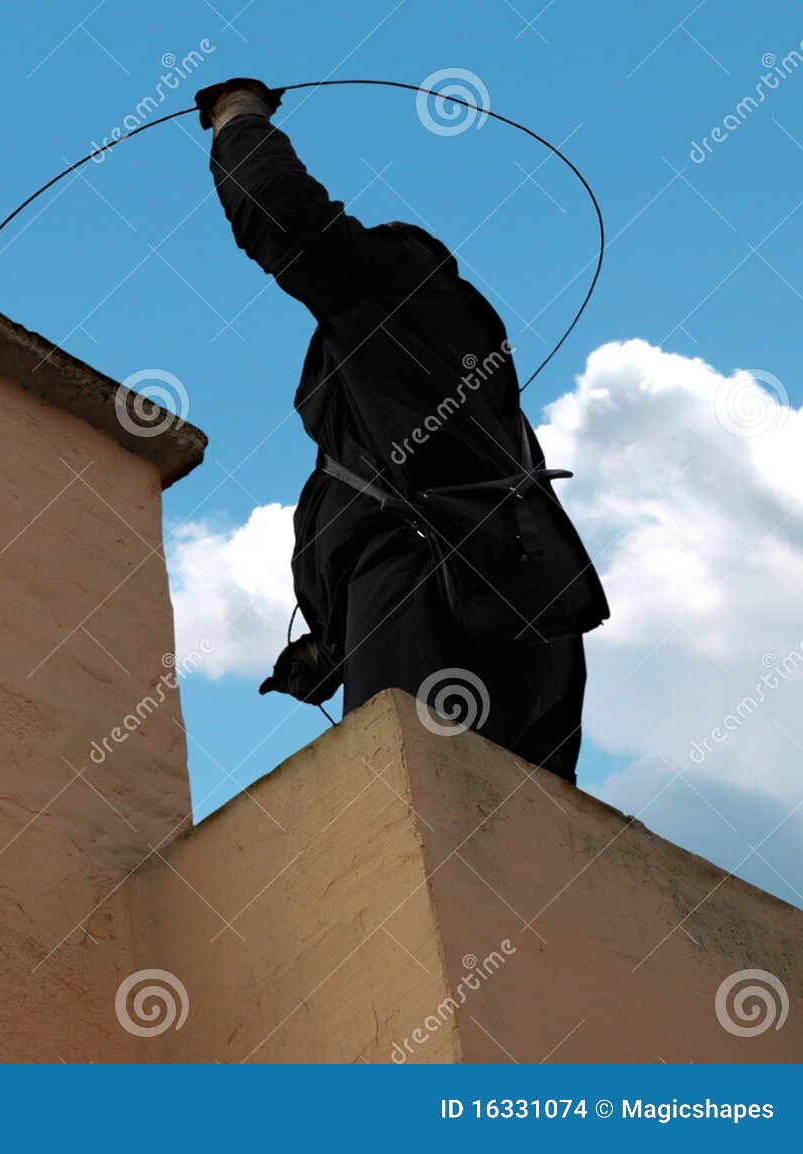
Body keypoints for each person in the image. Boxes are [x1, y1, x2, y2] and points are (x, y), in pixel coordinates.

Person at [196, 79, 609, 781]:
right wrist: (335, 639)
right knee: (520, 858)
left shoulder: (397, 296)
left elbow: (283, 215)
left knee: (415, 808)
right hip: (511, 624)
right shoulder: (452, 396)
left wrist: (237, 115)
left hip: (441, 604)